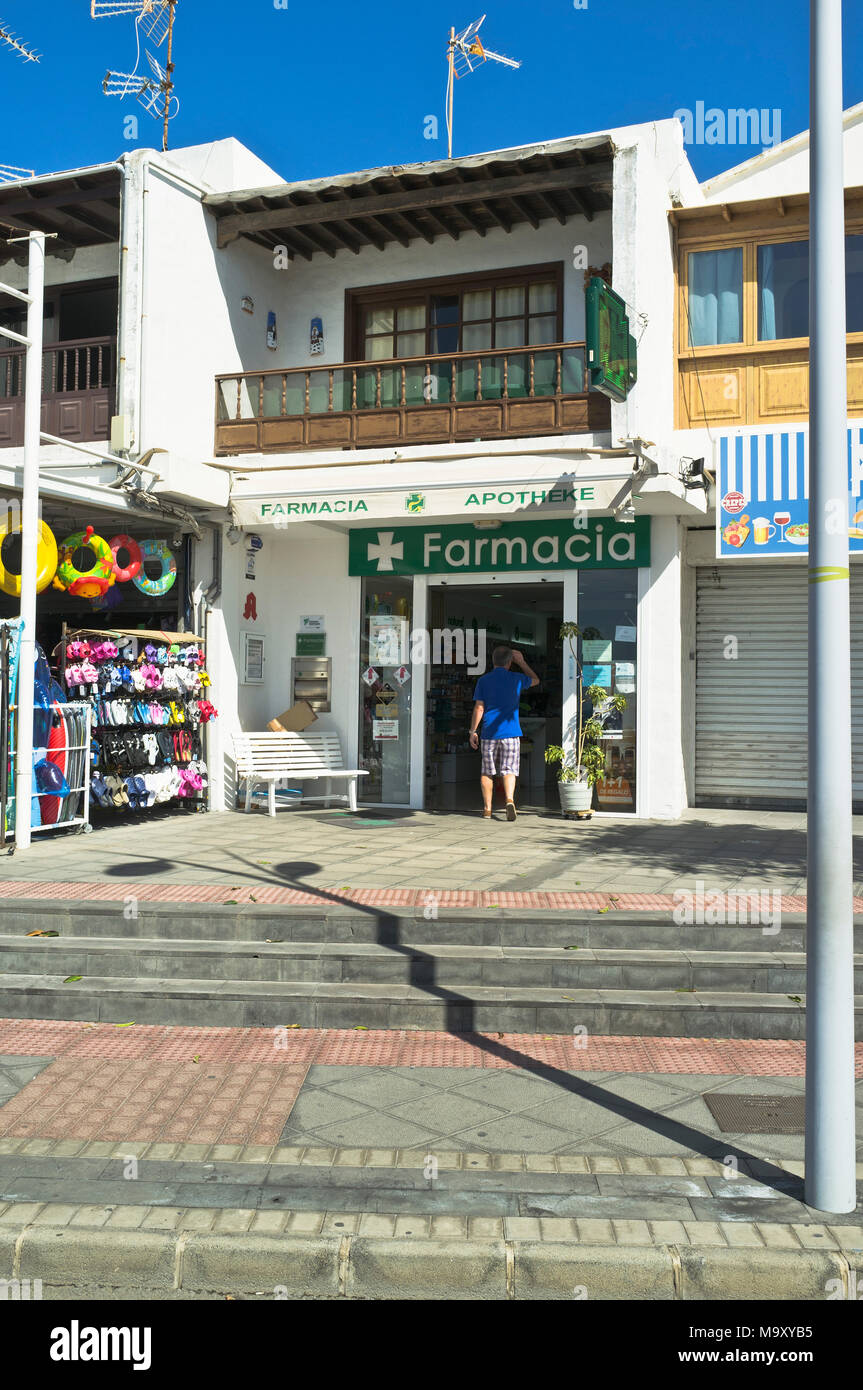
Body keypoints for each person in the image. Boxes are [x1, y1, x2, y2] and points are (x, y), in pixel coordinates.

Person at [469, 646, 539, 821]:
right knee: (509, 770)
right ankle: (509, 800)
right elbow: (536, 680)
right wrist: (522, 662)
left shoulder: (484, 681)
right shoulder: (516, 679)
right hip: (511, 733)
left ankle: (487, 810)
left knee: (487, 772)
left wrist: (473, 731)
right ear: (510, 662)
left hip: (489, 732)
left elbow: (479, 707)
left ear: (493, 661)